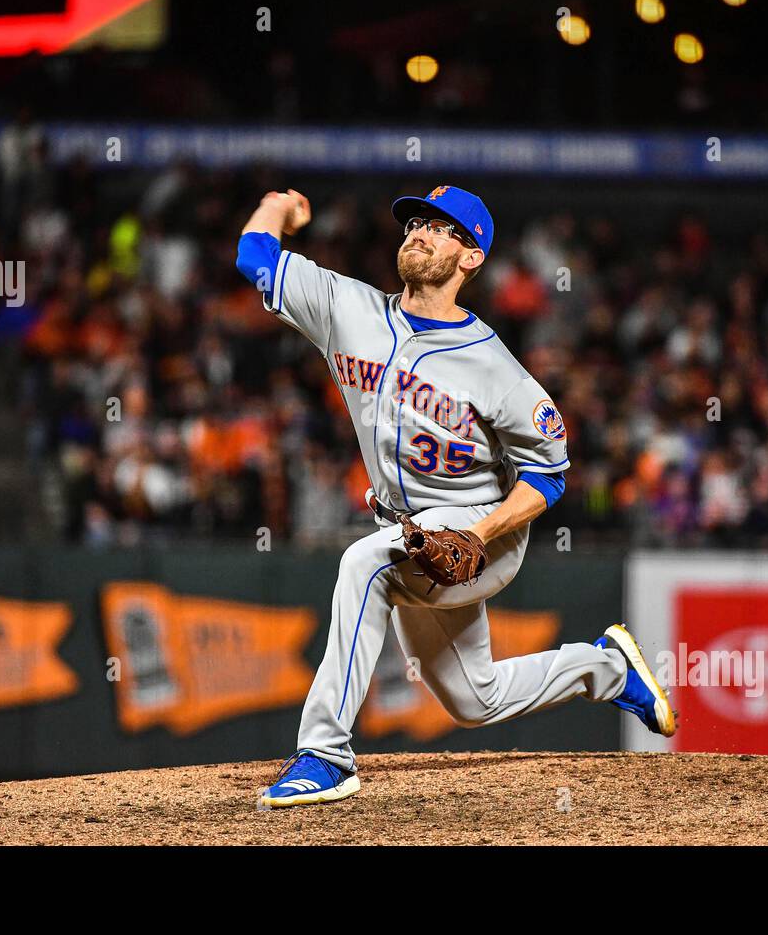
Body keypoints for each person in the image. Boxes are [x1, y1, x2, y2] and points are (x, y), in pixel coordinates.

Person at [235, 185, 676, 807]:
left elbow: (549, 476)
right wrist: (279, 208)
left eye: (441, 228)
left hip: (481, 531)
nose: (420, 232)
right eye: (416, 221)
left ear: (470, 257)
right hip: (411, 528)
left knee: (364, 564)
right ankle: (605, 667)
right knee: (475, 698)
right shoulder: (347, 307)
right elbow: (254, 257)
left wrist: (479, 534)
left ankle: (324, 753)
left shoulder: (496, 368)